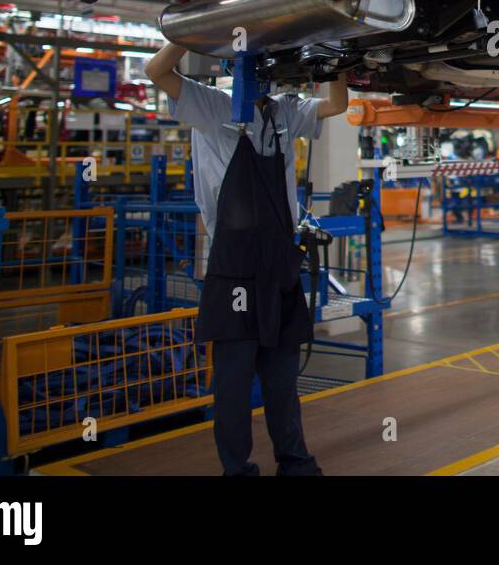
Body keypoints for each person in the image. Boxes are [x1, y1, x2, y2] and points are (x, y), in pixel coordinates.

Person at [145, 41, 350, 475]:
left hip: (279, 266)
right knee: (233, 387)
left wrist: (335, 58)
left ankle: (295, 462)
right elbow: (156, 72)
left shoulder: (283, 111)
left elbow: (337, 103)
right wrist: (187, 33)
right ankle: (236, 470)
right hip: (234, 270)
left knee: (281, 383)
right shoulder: (211, 105)